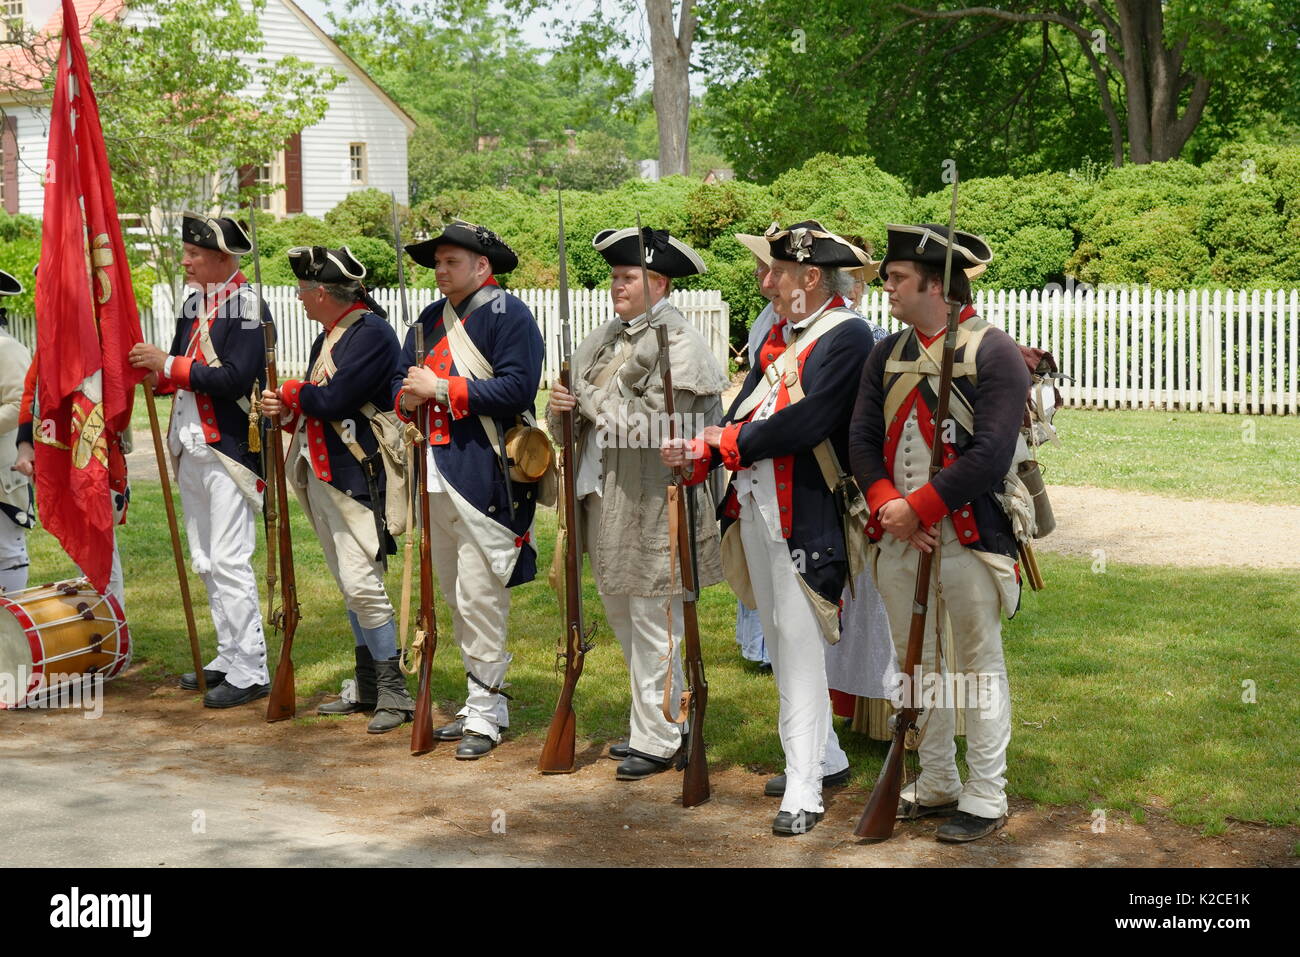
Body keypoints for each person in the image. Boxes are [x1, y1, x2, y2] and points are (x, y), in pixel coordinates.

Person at [665, 220, 876, 836]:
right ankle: (823, 758)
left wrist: (726, 441)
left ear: (811, 278)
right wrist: (703, 450)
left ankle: (805, 788)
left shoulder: (848, 336)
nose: (766, 280)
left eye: (776, 271)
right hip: (756, 505)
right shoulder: (783, 336)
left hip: (806, 508)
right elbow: (746, 406)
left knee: (799, 639)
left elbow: (810, 421)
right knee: (781, 639)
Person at [848, 223, 1028, 843]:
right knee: (917, 663)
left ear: (935, 285)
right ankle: (938, 779)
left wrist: (919, 506)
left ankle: (985, 792)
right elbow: (861, 441)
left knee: (976, 665)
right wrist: (888, 505)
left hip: (971, 535)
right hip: (900, 531)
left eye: (897, 278)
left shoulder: (993, 350)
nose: (886, 287)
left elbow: (990, 453)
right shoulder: (885, 352)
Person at [547, 226, 727, 780]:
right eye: (615, 277)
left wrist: (589, 399)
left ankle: (663, 732)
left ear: (660, 282)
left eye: (628, 277)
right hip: (603, 494)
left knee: (656, 615)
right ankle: (653, 721)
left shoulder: (682, 345)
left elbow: (651, 428)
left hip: (654, 499)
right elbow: (571, 414)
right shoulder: (606, 337)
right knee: (625, 615)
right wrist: (561, 406)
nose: (616, 287)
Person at [391, 220, 543, 759]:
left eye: (450, 262)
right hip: (434, 471)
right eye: (437, 263)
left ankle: (486, 711)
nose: (439, 271)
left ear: (483, 267)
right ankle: (480, 699)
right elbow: (399, 380)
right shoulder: (429, 319)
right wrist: (407, 397)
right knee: (455, 595)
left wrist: (442, 388)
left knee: (480, 596)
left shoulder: (511, 315)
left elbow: (517, 388)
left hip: (484, 475)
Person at [260, 245, 412, 733]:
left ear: (321, 292)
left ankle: (395, 690)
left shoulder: (369, 333)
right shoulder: (332, 334)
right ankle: (369, 684)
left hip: (356, 474)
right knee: (351, 585)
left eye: (304, 291)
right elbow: (319, 404)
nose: (301, 299)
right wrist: (286, 411)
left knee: (363, 583)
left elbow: (335, 398)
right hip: (326, 472)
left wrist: (289, 392)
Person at [128, 213, 270, 709]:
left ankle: (252, 667)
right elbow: (180, 365)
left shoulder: (248, 306)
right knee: (206, 560)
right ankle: (228, 655)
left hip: (228, 448)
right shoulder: (195, 301)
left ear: (223, 258)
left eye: (194, 254)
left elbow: (234, 378)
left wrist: (167, 366)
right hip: (189, 443)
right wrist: (157, 374)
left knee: (231, 559)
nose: (185, 260)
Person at [0, 269, 32, 592]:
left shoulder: (6, 348)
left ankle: (9, 636)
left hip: (2, 473)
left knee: (7, 552)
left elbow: (22, 403)